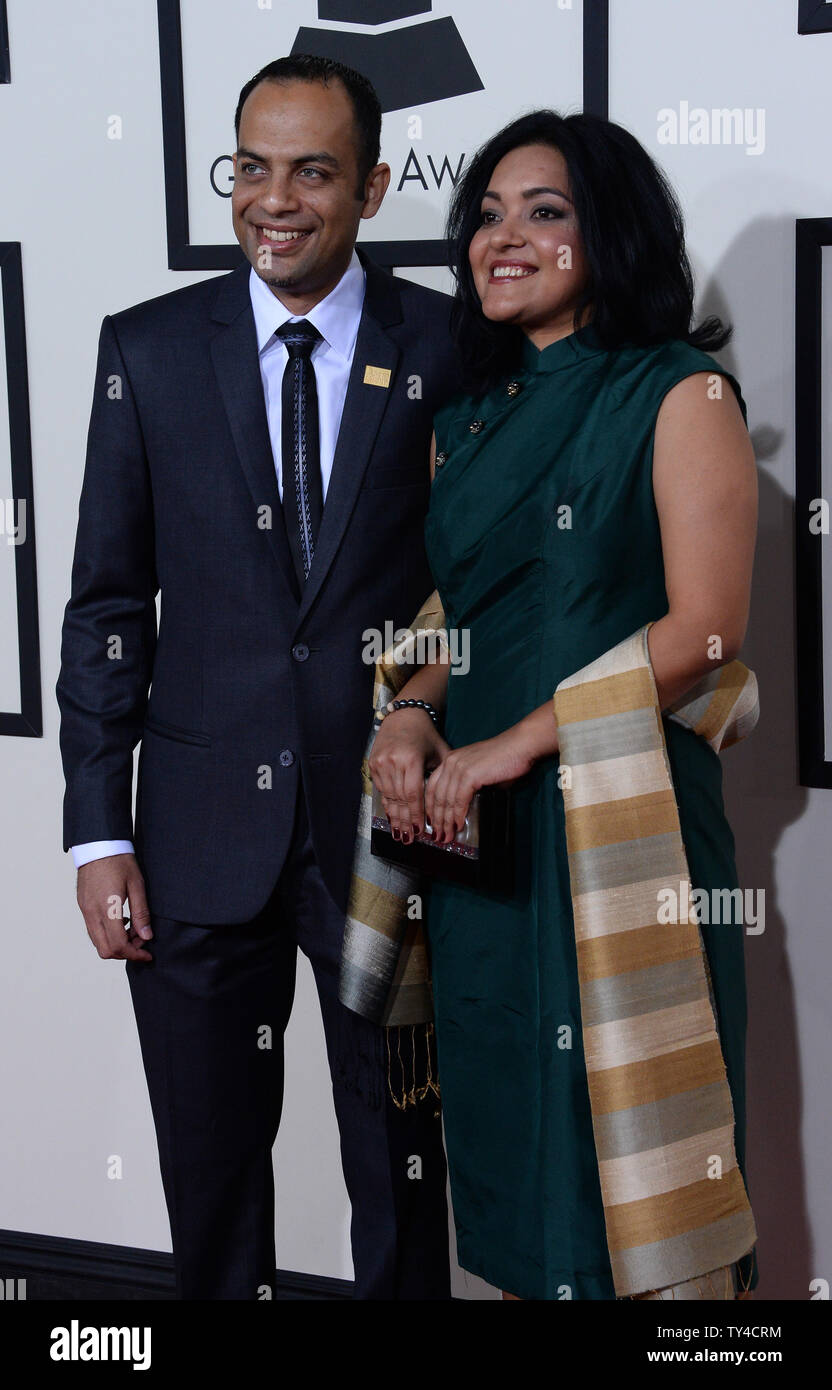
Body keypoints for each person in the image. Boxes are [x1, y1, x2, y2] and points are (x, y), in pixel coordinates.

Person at [55, 54, 462, 1300]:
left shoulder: (448, 346)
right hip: (191, 836)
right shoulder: (149, 348)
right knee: (211, 1171)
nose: (272, 200)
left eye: (312, 171)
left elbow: (479, 585)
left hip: (385, 840)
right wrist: (94, 834)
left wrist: (417, 702)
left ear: (374, 187)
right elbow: (108, 603)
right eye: (252, 167)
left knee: (397, 1165)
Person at [367, 109, 759, 1301]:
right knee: (510, 1146)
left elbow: (704, 632)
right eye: (485, 213)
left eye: (544, 212)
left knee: (636, 1159)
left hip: (622, 830)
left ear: (613, 233)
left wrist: (509, 747)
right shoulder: (461, 428)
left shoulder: (679, 395)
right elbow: (460, 616)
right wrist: (410, 713)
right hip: (481, 845)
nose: (502, 237)